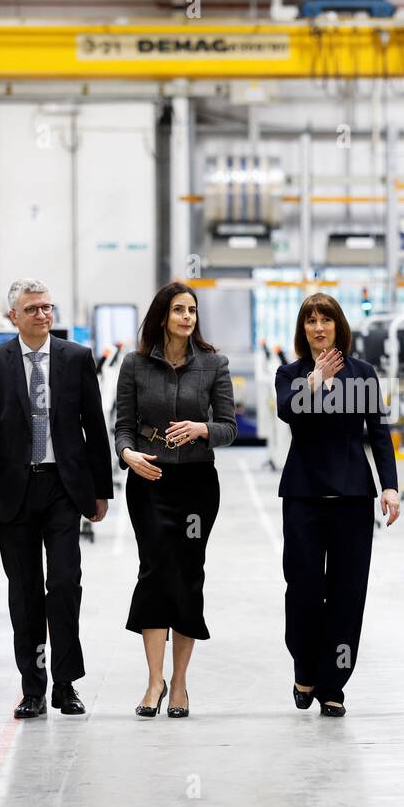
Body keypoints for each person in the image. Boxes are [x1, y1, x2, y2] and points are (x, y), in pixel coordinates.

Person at [0, 278, 113, 720]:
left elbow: (94, 429)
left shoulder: (76, 359)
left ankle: (66, 684)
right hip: (13, 493)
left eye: (48, 307)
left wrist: (100, 490)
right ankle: (33, 688)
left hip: (63, 489)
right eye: (33, 309)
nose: (43, 315)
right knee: (24, 592)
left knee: (64, 584)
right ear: (14, 316)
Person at [115, 281, 236, 719]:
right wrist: (127, 455)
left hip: (197, 486)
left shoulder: (214, 364)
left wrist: (202, 429)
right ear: (163, 315)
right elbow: (122, 426)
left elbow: (228, 426)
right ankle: (154, 681)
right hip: (148, 481)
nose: (187, 316)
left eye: (192, 310)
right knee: (153, 571)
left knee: (187, 574)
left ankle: (180, 682)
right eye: (179, 309)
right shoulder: (134, 364)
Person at [276, 294, 399, 718]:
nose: (318, 327)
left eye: (325, 319)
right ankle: (305, 667)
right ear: (303, 329)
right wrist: (314, 381)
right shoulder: (289, 374)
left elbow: (379, 434)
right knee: (304, 590)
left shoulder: (363, 374)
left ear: (338, 326)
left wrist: (391, 487)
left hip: (352, 498)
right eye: (310, 320)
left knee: (348, 595)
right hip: (303, 496)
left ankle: (334, 685)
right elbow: (288, 412)